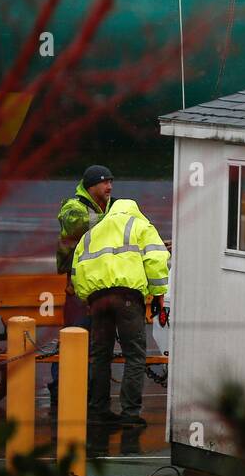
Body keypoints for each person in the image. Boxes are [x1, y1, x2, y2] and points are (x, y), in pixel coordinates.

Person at [70, 197, 170, 428]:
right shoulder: (140, 225)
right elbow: (156, 260)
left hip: (97, 300)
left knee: (100, 356)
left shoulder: (92, 234)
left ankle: (98, 411)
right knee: (134, 355)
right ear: (135, 209)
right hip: (126, 297)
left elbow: (76, 270)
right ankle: (130, 414)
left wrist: (88, 298)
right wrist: (158, 293)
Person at [49, 165, 114, 407]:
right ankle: (58, 387)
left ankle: (86, 390)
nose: (109, 186)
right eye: (103, 182)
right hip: (78, 288)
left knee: (96, 341)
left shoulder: (107, 208)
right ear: (90, 186)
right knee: (73, 336)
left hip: (99, 286)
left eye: (110, 181)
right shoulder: (74, 207)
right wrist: (116, 220)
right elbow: (78, 225)